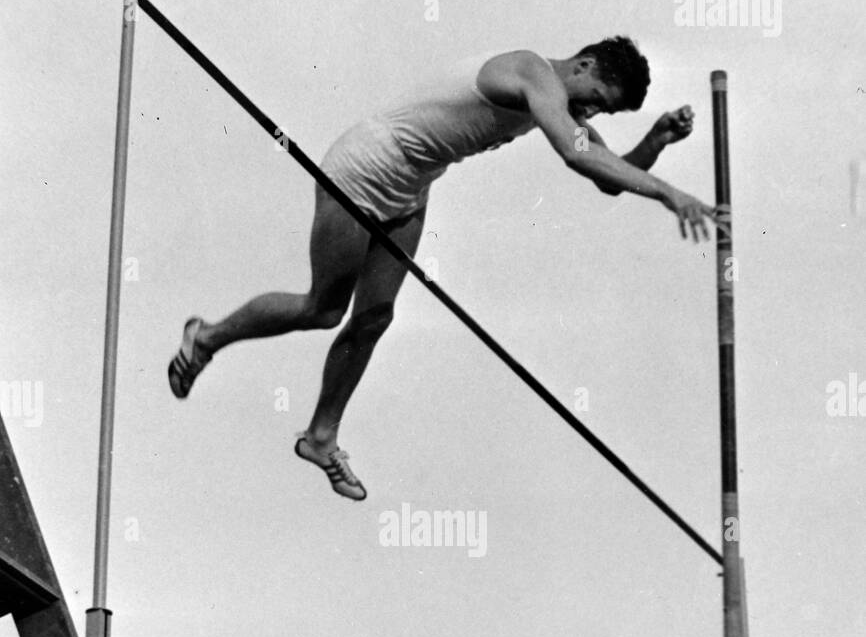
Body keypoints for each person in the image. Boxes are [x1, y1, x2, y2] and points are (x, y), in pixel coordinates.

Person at [169, 40, 719, 501]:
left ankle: (319, 437)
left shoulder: (559, 103)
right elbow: (577, 156)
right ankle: (207, 338)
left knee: (374, 317)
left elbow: (605, 175)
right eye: (598, 101)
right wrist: (669, 194)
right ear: (586, 66)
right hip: (366, 165)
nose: (593, 115)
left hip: (410, 186)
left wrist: (656, 143)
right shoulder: (532, 72)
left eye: (604, 113)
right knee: (324, 310)